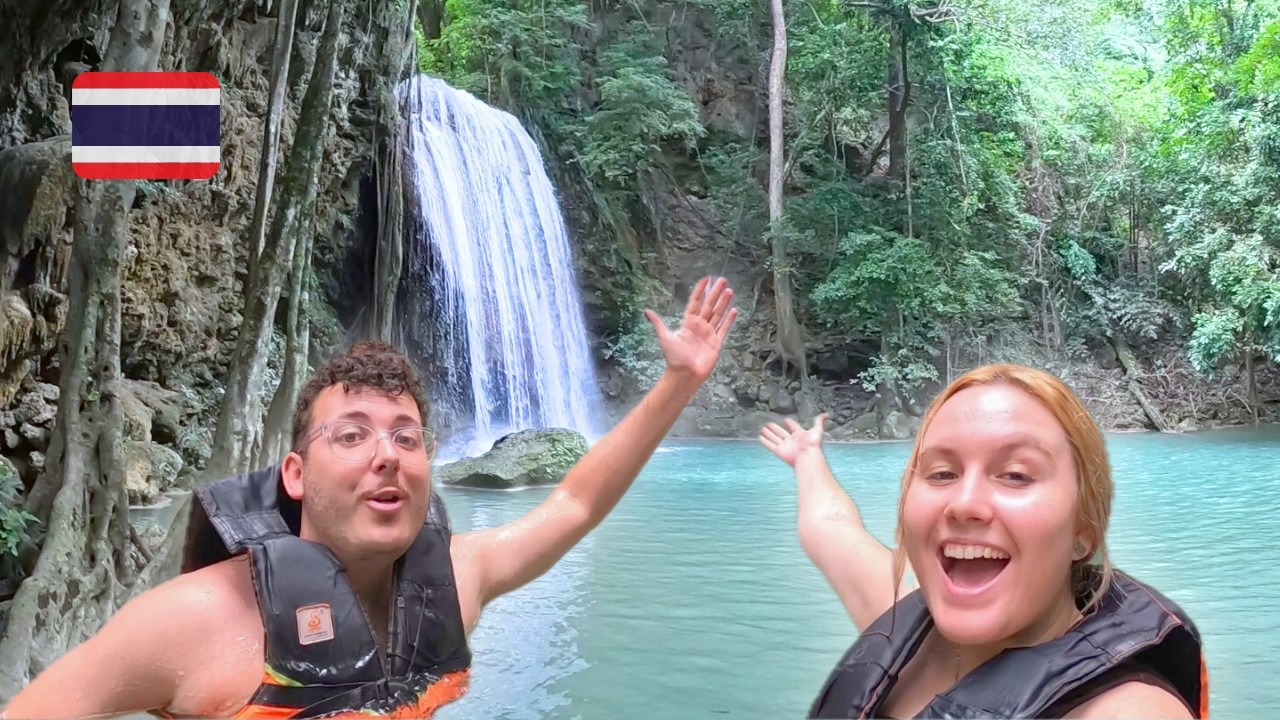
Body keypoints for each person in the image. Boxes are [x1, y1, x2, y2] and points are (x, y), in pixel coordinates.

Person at [2, 275, 738, 720]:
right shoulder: (190, 621)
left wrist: (677, 384)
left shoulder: (452, 582)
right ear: (295, 475)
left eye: (407, 439)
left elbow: (574, 503)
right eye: (351, 437)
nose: (387, 454)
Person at [758, 364, 1208, 719]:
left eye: (1016, 475)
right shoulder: (902, 627)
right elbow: (830, 527)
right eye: (942, 474)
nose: (965, 503)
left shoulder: (1128, 712)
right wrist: (806, 458)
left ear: (1082, 529)